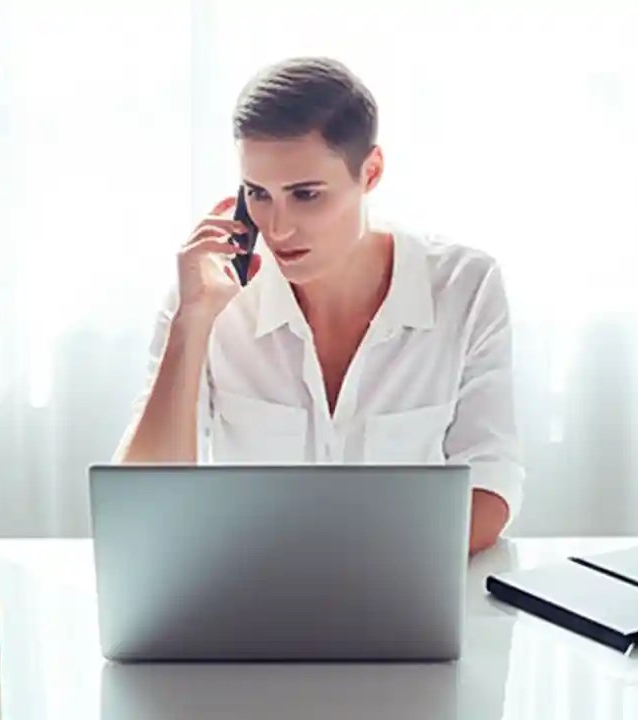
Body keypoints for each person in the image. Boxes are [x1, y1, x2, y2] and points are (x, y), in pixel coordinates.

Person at [116, 57, 522, 555]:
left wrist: (348, 562)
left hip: (398, 595)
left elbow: (491, 487)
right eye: (258, 194)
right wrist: (191, 325)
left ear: (370, 172)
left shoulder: (465, 286)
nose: (278, 227)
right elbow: (140, 506)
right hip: (251, 601)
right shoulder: (208, 294)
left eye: (305, 195)